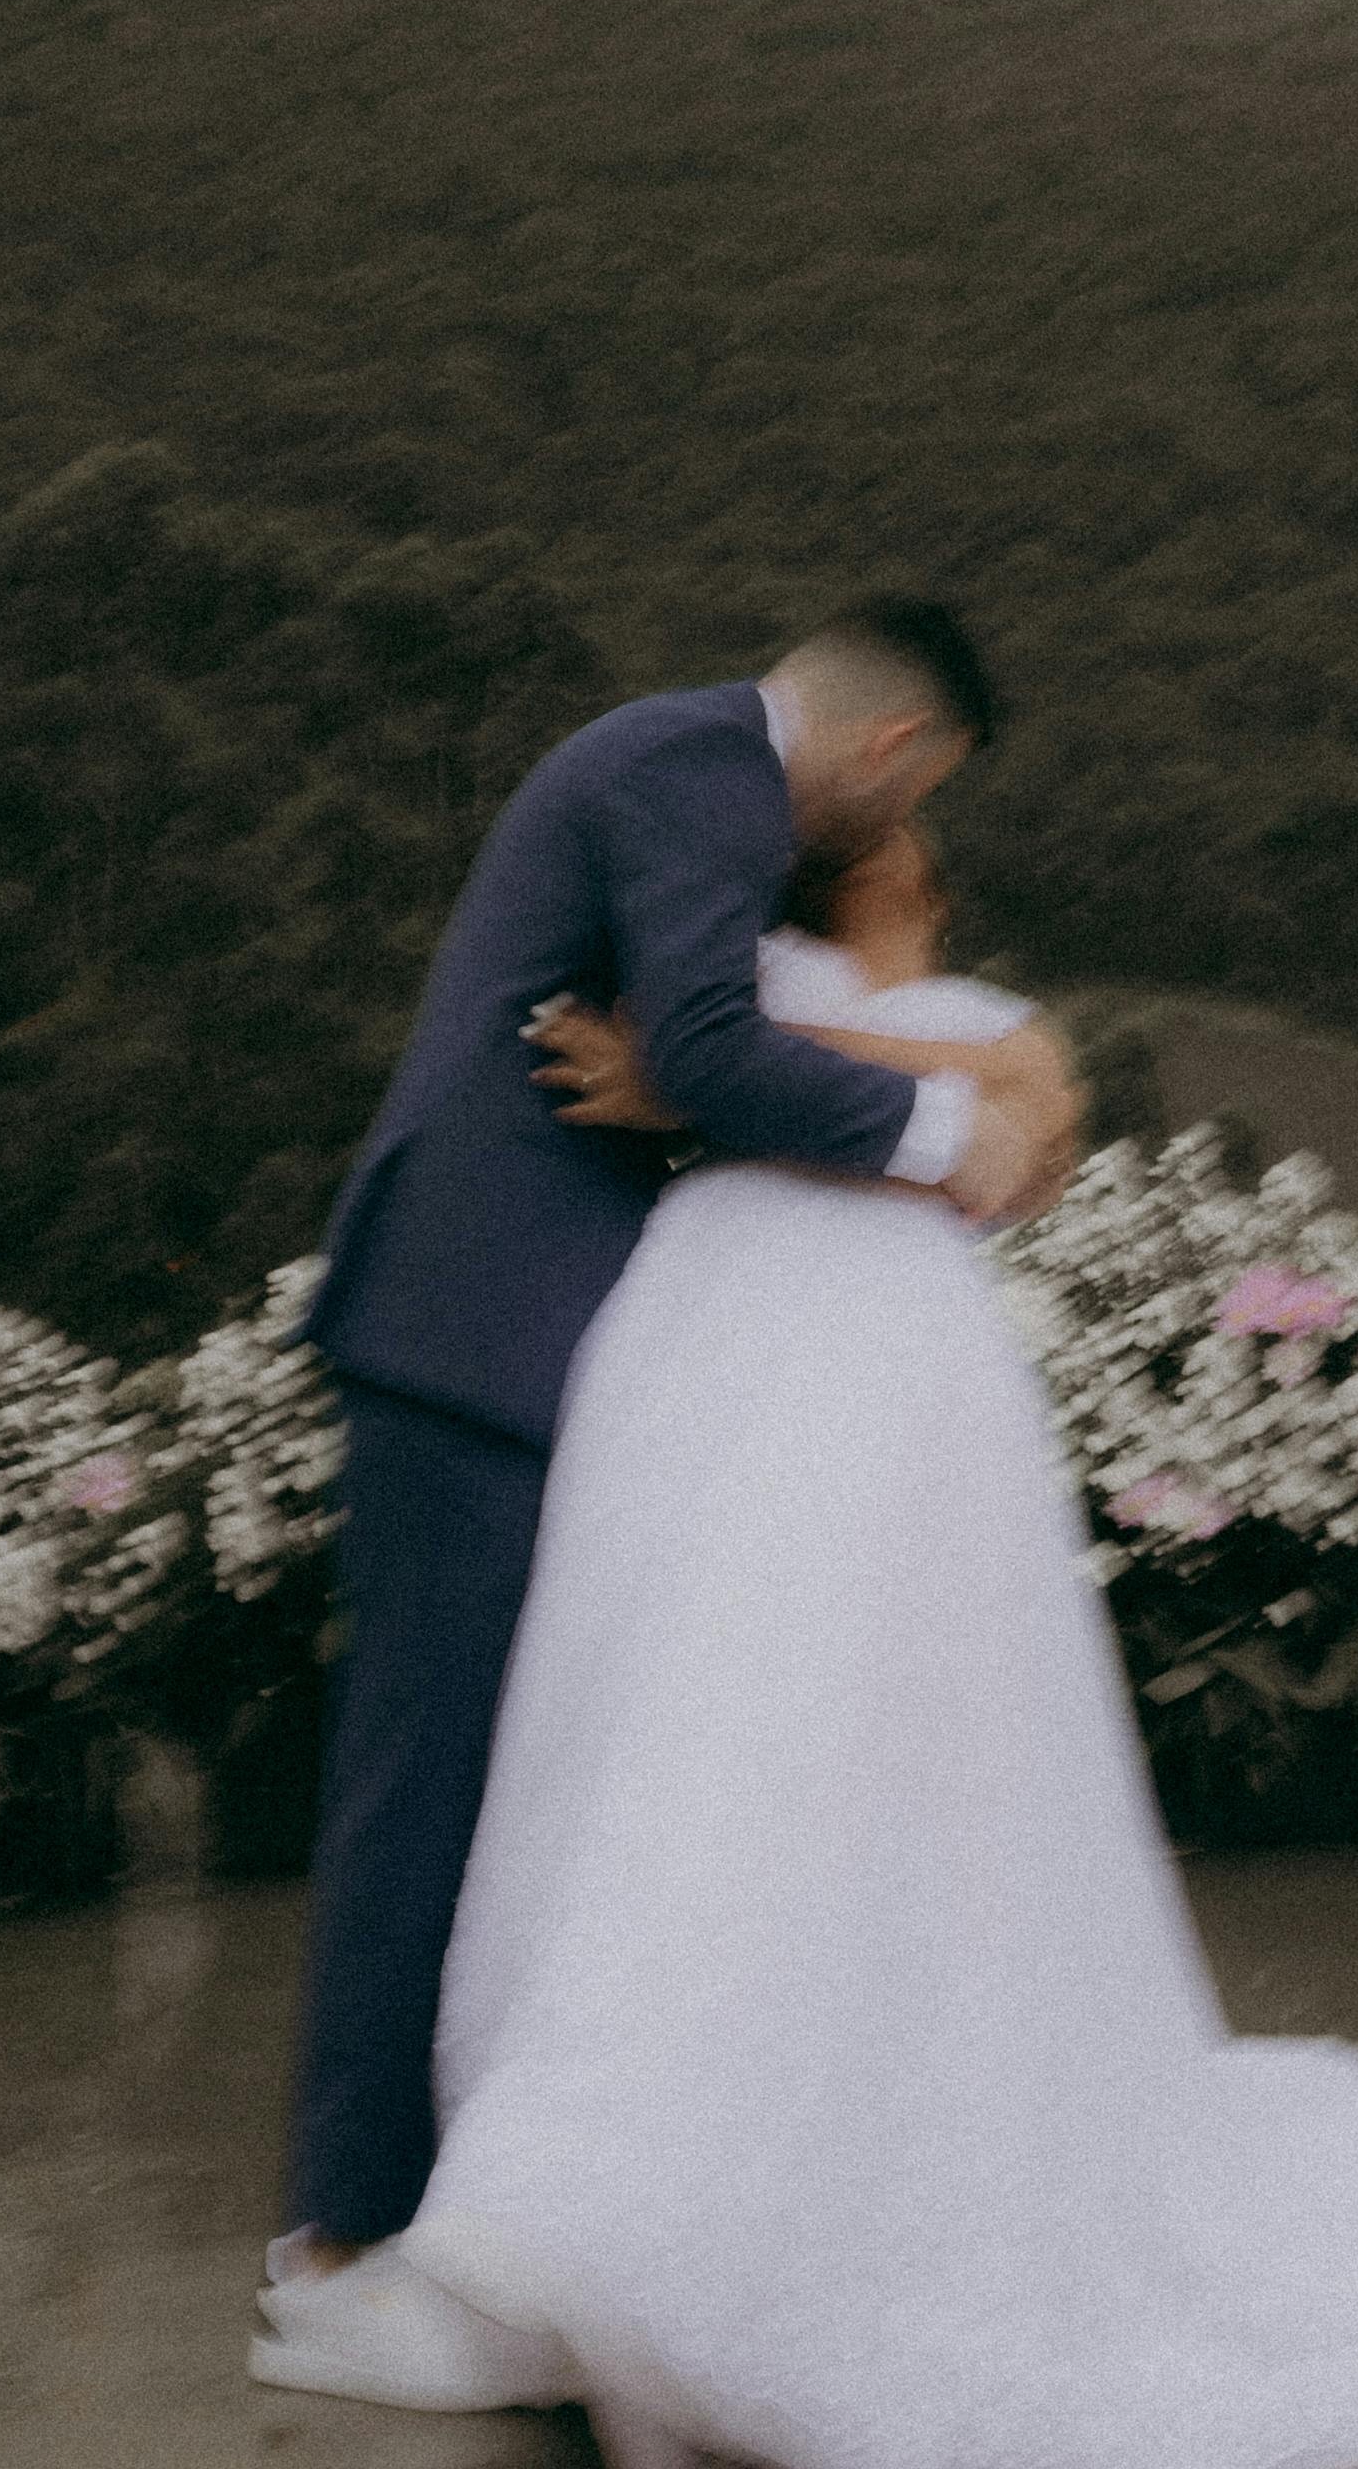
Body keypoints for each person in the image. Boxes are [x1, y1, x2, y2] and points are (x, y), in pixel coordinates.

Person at [370, 816, 1358, 2469]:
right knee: (719, 1746)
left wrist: (733, 1066)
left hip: (834, 1376)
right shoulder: (789, 1001)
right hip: (738, 1360)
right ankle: (638, 2183)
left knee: (814, 1757)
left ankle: (731, 2186)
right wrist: (727, 1063)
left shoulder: (879, 1020)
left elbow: (1024, 1155)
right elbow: (955, 1131)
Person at [255, 602, 1078, 2414]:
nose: (909, 827)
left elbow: (696, 1056)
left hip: (560, 1341)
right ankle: (332, 2244)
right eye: (928, 786)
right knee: (425, 1772)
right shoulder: (702, 770)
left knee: (528, 1780)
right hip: (474, 1326)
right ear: (898, 753)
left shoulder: (681, 772)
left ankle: (477, 2202)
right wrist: (957, 1146)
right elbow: (705, 1036)